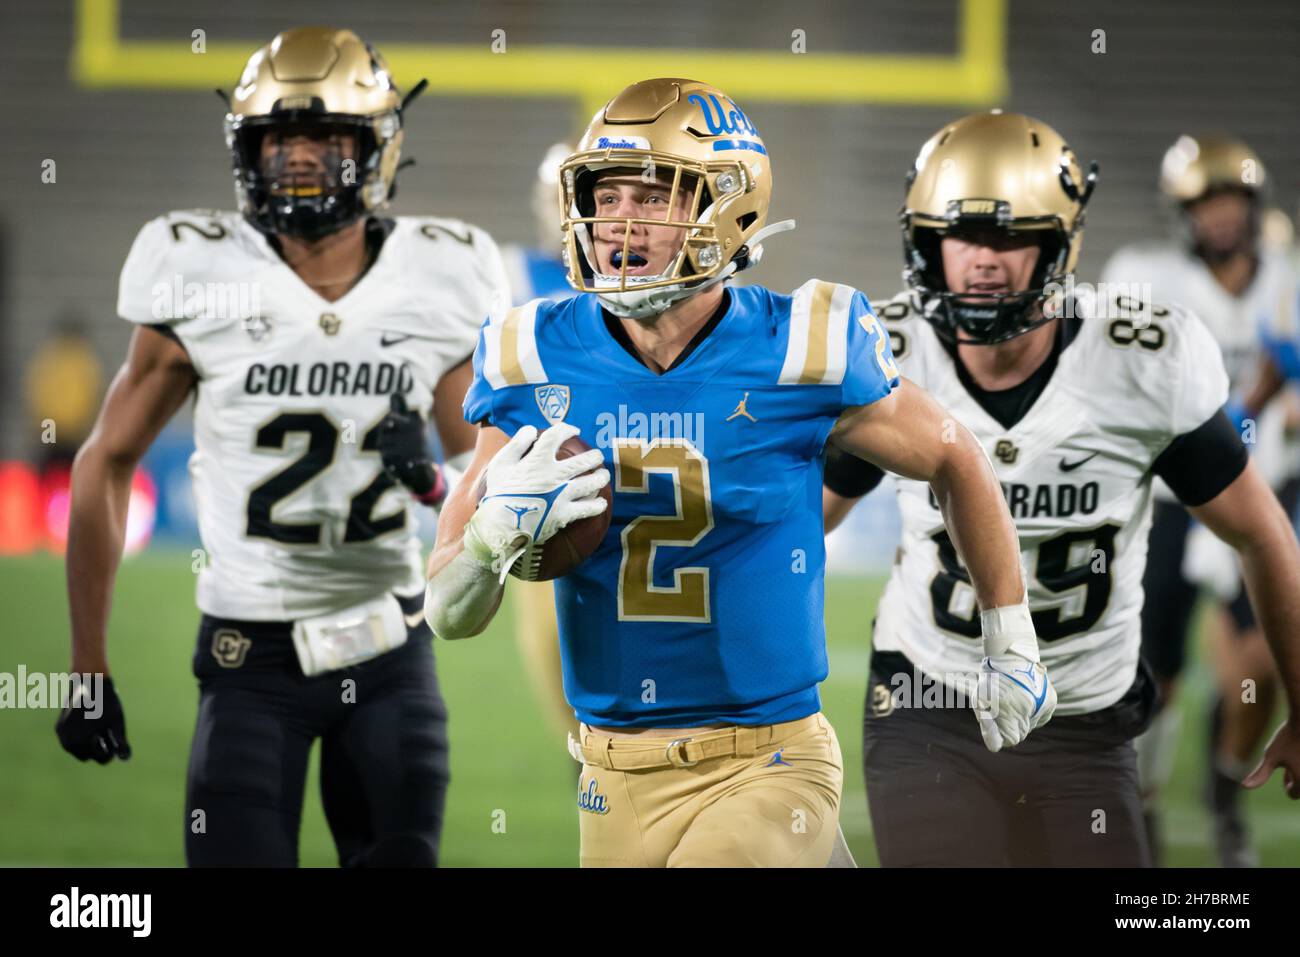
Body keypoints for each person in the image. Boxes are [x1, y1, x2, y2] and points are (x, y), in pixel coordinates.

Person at [424, 78, 1052, 867]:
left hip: (766, 761)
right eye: (605, 195)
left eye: (651, 198)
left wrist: (1012, 636)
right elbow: (447, 610)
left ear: (730, 205)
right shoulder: (530, 353)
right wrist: (486, 541)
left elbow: (956, 453)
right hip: (610, 777)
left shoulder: (801, 347)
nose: (618, 220)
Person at [58, 26, 509, 867]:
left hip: (389, 646)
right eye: (278, 141)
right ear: (246, 151)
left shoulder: (443, 272)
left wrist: (432, 479)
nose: (298, 160)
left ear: (376, 148)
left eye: (324, 140)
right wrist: (87, 665)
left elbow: (479, 473)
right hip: (247, 654)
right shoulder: (198, 268)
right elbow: (104, 462)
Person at [823, 112, 1300, 866]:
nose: (983, 260)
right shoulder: (889, 353)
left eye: (1012, 237)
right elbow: (800, 523)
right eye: (961, 235)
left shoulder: (1141, 361)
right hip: (932, 701)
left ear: (1059, 244)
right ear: (924, 241)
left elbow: (1262, 531)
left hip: (1085, 716)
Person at [1102, 134, 1300, 865]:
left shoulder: (1287, 277)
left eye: (1231, 201)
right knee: (1153, 670)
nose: (1220, 216)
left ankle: (1224, 779)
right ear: (1183, 212)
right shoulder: (1146, 277)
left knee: (1266, 662)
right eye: (1205, 203)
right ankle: (1144, 807)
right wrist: (1251, 401)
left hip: (1262, 495)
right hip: (1173, 501)